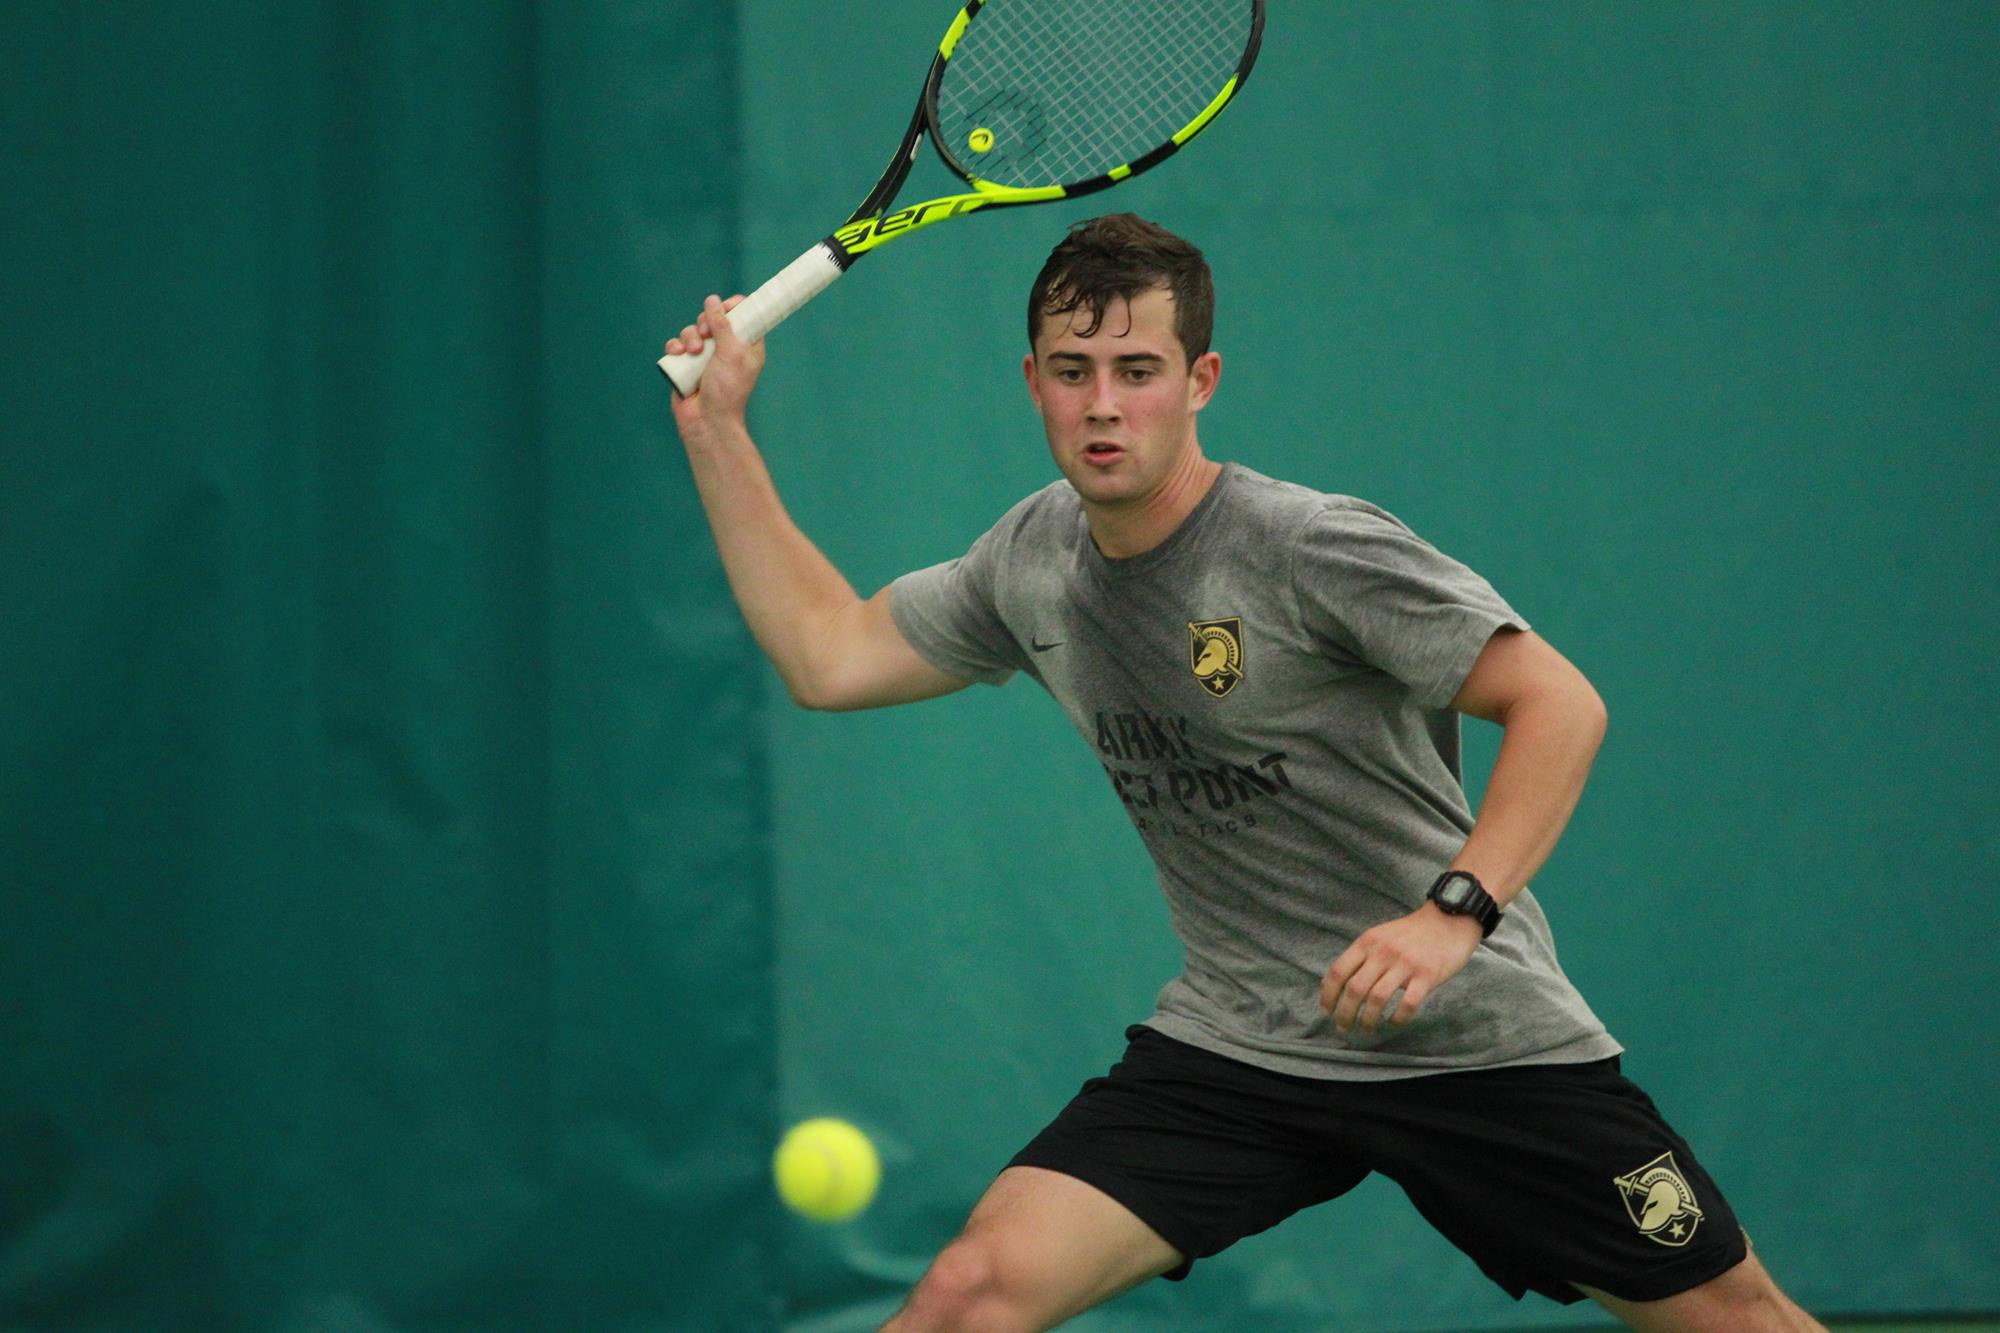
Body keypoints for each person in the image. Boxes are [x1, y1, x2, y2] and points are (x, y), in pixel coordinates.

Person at [665, 213, 1823, 1333]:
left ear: (1200, 379)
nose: (1103, 403)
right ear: (1031, 383)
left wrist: (1451, 914)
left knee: (1737, 1321)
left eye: (1137, 368)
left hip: (1467, 1035)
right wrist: (716, 428)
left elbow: (1559, 704)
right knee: (969, 1292)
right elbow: (830, 653)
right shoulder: (1029, 560)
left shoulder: (1307, 544)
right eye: (1073, 371)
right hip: (1241, 1043)